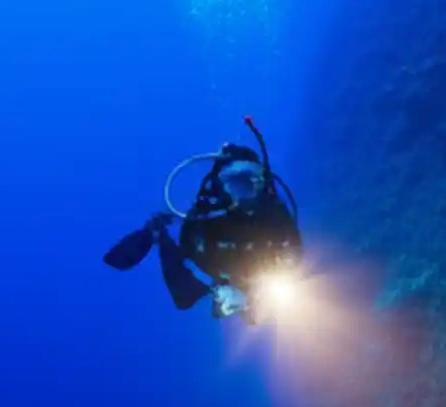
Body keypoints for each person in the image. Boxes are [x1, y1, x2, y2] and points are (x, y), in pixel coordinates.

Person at [102, 116, 302, 322]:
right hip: (219, 273)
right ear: (220, 187)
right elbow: (185, 269)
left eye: (251, 185)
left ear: (263, 184)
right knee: (184, 299)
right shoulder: (204, 219)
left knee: (255, 313)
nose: (243, 196)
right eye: (235, 185)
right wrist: (217, 290)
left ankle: (245, 297)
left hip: (254, 276)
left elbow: (293, 255)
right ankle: (157, 234)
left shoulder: (275, 216)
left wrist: (257, 293)